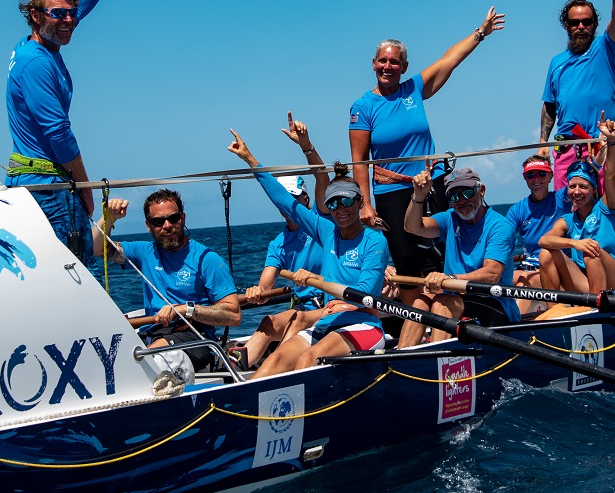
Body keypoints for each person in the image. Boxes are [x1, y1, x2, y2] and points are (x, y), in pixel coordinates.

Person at [5, 0, 143, 265]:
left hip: (42, 177)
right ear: (36, 16)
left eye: (70, 13)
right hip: (46, 185)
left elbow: (86, 1)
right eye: (59, 15)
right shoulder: (36, 63)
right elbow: (59, 134)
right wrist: (85, 188)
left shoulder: (39, 42)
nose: (69, 21)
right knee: (73, 266)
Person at [349, 8, 506, 281]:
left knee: (444, 255)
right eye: (382, 61)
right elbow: (359, 161)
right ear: (373, 64)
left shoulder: (414, 90)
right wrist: (365, 204)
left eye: (394, 62)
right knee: (407, 262)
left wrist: (481, 32)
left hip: (432, 183)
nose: (388, 66)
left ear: (404, 67)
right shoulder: (362, 107)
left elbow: (449, 60)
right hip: (392, 191)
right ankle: (416, 305)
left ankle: (452, 302)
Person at [228, 130, 391, 378]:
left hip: (363, 323)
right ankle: (244, 400)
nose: (340, 209)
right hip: (327, 320)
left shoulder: (374, 241)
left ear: (360, 202)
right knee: (276, 359)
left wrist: (319, 283)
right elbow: (285, 202)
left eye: (347, 201)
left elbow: (365, 293)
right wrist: (251, 160)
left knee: (308, 357)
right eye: (333, 203)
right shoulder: (327, 232)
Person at [92, 189, 241, 370]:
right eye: (158, 221)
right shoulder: (144, 252)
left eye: (173, 218)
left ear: (183, 218)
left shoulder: (208, 260)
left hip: (193, 335)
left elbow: (234, 315)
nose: (167, 225)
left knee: (144, 363)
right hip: (151, 333)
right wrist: (109, 218)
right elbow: (97, 249)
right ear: (148, 225)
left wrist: (186, 309)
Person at [402, 166, 519, 347]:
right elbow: (412, 227)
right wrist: (418, 196)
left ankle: (437, 358)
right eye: (454, 196)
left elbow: (491, 275)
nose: (462, 200)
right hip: (456, 297)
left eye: (467, 193)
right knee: (420, 301)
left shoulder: (500, 226)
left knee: (442, 302)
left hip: (493, 302)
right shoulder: (450, 218)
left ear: (481, 191)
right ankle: (401, 357)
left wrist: (449, 279)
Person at [537, 0, 615, 191]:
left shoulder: (604, 47)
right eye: (575, 23)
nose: (581, 27)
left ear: (594, 24)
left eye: (586, 22)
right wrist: (543, 143)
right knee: (565, 205)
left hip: (602, 143)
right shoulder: (556, 62)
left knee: (607, 203)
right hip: (567, 148)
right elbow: (549, 105)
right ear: (566, 26)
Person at [536, 117, 615, 309]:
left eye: (583, 187)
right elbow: (544, 240)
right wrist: (575, 243)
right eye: (572, 186)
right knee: (546, 253)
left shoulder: (608, 207)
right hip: (589, 284)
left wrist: (612, 142)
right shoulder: (568, 220)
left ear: (593, 190)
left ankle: (595, 312)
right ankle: (554, 311)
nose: (577, 192)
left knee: (591, 251)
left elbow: (610, 175)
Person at [232, 175, 326, 371]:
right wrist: (257, 293)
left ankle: (274, 369)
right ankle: (233, 372)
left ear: (306, 199)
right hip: (305, 307)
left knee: (298, 320)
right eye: (283, 199)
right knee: (268, 323)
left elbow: (321, 177)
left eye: (293, 198)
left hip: (330, 304)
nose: (287, 204)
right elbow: (265, 289)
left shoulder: (321, 223)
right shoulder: (277, 244)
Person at [504, 155, 570, 313]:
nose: (536, 179)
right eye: (530, 174)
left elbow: (585, 178)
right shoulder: (517, 210)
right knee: (494, 281)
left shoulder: (563, 199)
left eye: (541, 173)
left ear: (551, 176)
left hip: (556, 270)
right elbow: (503, 241)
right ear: (524, 178)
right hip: (527, 267)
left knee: (525, 283)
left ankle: (515, 325)